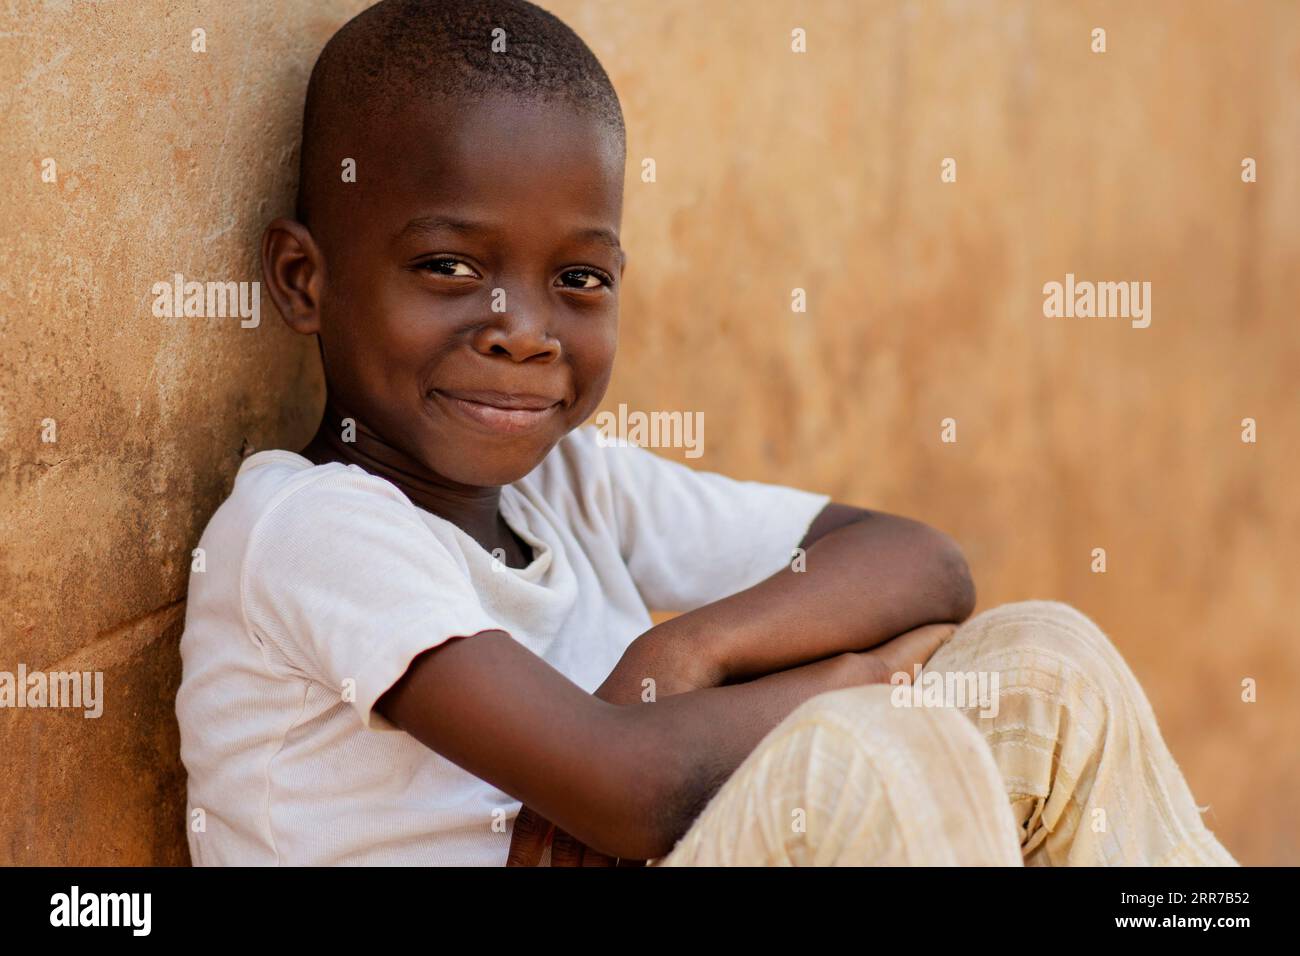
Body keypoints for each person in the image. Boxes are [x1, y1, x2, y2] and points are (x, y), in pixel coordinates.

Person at [175, 0, 1236, 867]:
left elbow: (919, 559)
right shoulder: (309, 527)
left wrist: (688, 648)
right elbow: (627, 788)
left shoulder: (572, 485)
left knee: (1046, 662)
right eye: (452, 267)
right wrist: (855, 678)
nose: (524, 333)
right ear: (303, 280)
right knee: (864, 765)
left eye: (578, 279)